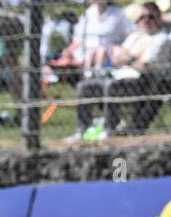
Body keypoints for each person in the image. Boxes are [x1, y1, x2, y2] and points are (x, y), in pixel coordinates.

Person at [69, 2, 170, 140]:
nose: (146, 20)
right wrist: (134, 56)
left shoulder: (162, 39)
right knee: (85, 86)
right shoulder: (135, 36)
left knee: (110, 86)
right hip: (119, 75)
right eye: (142, 17)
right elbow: (116, 59)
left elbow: (143, 65)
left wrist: (127, 56)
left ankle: (109, 129)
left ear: (158, 18)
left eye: (150, 17)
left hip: (145, 81)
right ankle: (81, 130)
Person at [49, 0, 135, 81]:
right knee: (91, 53)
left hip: (108, 54)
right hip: (86, 53)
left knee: (100, 51)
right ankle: (89, 76)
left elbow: (130, 32)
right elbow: (78, 38)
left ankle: (98, 75)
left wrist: (120, 47)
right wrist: (67, 52)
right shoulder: (89, 13)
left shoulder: (117, 13)